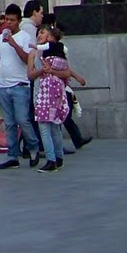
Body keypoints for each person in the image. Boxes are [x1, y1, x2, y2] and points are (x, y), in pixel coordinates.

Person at [30, 23, 84, 173]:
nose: (40, 35)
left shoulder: (47, 50)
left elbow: (65, 72)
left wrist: (49, 71)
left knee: (46, 127)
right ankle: (58, 158)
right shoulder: (37, 52)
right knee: (54, 127)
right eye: (39, 33)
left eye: (44, 33)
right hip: (44, 90)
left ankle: (51, 160)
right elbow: (31, 74)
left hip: (46, 91)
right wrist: (44, 70)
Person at [0, 3, 43, 170]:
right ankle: (12, 155)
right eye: (6, 19)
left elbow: (26, 59)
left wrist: (14, 44)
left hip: (20, 84)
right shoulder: (2, 37)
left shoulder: (25, 37)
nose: (8, 23)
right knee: (9, 122)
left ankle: (34, 146)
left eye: (12, 20)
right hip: (3, 85)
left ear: (18, 21)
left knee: (22, 119)